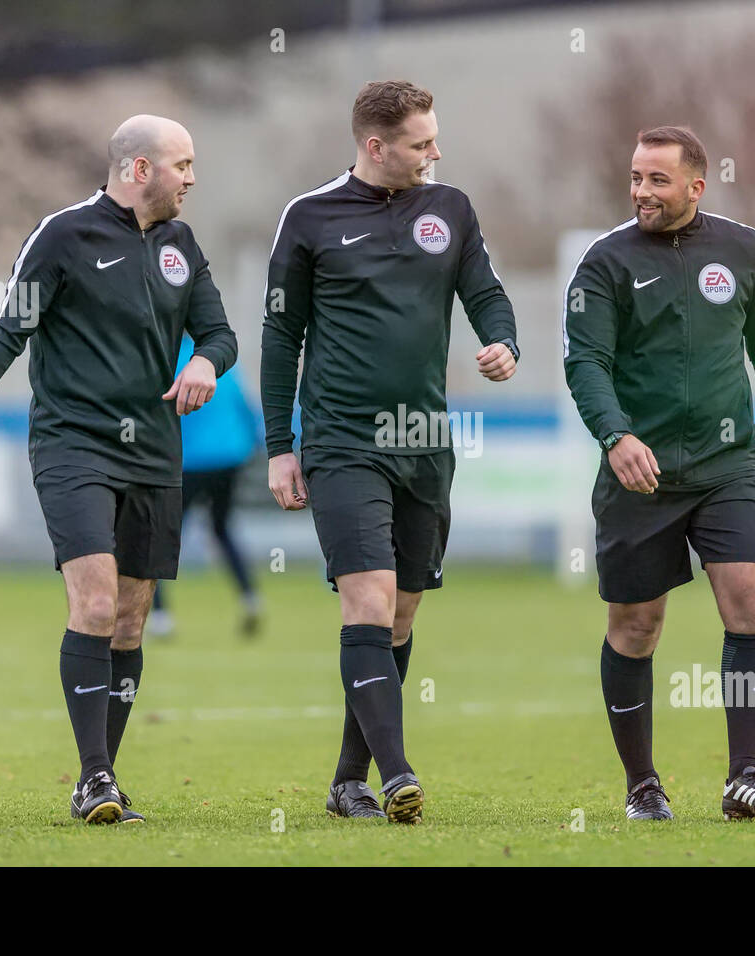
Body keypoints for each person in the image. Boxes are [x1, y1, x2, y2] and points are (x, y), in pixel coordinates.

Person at [0, 114, 238, 825]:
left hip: (156, 452)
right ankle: (93, 779)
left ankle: (106, 775)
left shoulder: (183, 245)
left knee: (130, 619)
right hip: (73, 446)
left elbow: (218, 331)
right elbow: (7, 336)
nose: (192, 178)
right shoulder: (63, 236)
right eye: (182, 164)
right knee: (93, 604)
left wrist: (208, 362)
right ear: (140, 169)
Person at [260, 80, 519, 823]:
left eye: (435, 139)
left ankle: (349, 780)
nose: (435, 153)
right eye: (420, 143)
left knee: (400, 615)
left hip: (425, 441)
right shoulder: (309, 218)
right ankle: (398, 772)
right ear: (375, 146)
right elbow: (282, 339)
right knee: (366, 598)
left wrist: (501, 339)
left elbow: (486, 291)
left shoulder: (452, 209)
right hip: (343, 439)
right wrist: (283, 446)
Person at [562, 126, 755, 822]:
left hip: (725, 464)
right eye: (636, 178)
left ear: (696, 187)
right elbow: (584, 363)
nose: (642, 191)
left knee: (751, 602)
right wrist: (615, 437)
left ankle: (746, 777)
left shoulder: (740, 249)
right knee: (637, 626)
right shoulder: (604, 261)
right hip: (638, 476)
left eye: (657, 180)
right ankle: (642, 784)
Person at [148, 339, 263, 639]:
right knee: (221, 527)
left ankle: (160, 615)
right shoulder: (218, 362)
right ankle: (250, 598)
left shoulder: (167, 358)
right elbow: (246, 411)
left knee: (161, 536)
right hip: (230, 456)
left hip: (191, 460)